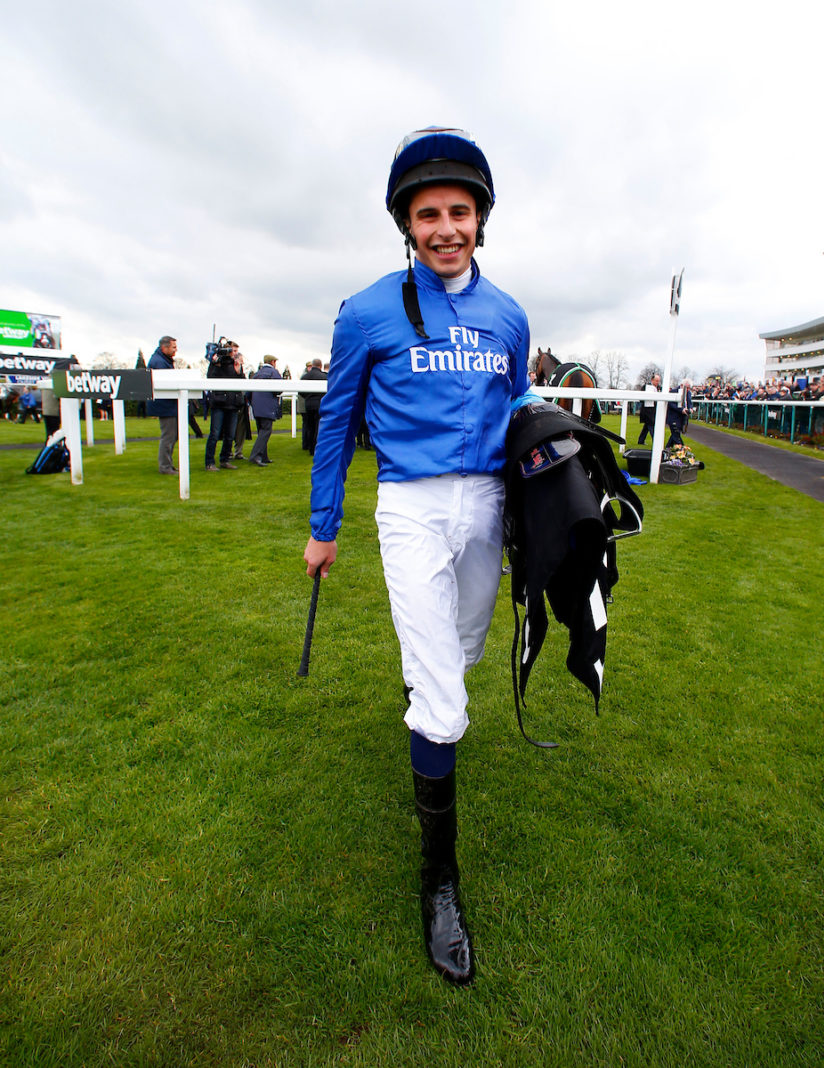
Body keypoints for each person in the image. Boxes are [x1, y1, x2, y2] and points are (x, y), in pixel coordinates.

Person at [303, 127, 537, 986]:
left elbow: (520, 404)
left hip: (487, 504)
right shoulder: (366, 310)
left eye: (459, 212)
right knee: (443, 699)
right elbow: (336, 423)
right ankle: (440, 882)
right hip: (409, 502)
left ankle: (427, 684)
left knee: (459, 654)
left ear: (480, 219)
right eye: (429, 214)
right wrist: (324, 525)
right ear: (407, 222)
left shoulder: (509, 314)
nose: (446, 229)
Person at [204, 339, 242, 471]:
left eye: (236, 351)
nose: (234, 353)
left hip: (233, 403)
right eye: (232, 350)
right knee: (215, 434)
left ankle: (225, 459)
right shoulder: (216, 363)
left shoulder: (236, 364)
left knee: (230, 435)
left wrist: (239, 371)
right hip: (219, 403)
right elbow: (210, 378)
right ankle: (209, 462)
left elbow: (242, 382)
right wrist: (215, 363)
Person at [147, 335, 179, 474]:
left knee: (172, 436)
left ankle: (168, 464)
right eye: (173, 347)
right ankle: (165, 467)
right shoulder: (159, 362)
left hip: (167, 404)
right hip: (165, 405)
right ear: (164, 347)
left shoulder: (162, 360)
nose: (176, 350)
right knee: (168, 436)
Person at [248, 355, 283, 466]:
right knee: (266, 431)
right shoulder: (274, 373)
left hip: (256, 407)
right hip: (267, 407)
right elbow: (279, 389)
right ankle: (255, 456)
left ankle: (264, 457)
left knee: (261, 431)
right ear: (272, 362)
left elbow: (248, 392)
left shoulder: (256, 374)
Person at [300, 358, 327, 454]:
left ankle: (310, 447)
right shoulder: (324, 376)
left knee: (310, 426)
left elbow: (300, 392)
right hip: (320, 403)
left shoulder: (305, 377)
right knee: (318, 426)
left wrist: (308, 397)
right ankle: (317, 447)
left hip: (308, 404)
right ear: (320, 366)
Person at [637, 373, 660, 444]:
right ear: (652, 380)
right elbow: (641, 399)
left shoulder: (658, 388)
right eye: (656, 381)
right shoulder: (645, 387)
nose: (657, 382)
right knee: (651, 425)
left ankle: (641, 440)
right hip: (647, 410)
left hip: (653, 410)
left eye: (658, 381)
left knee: (647, 426)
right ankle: (655, 441)